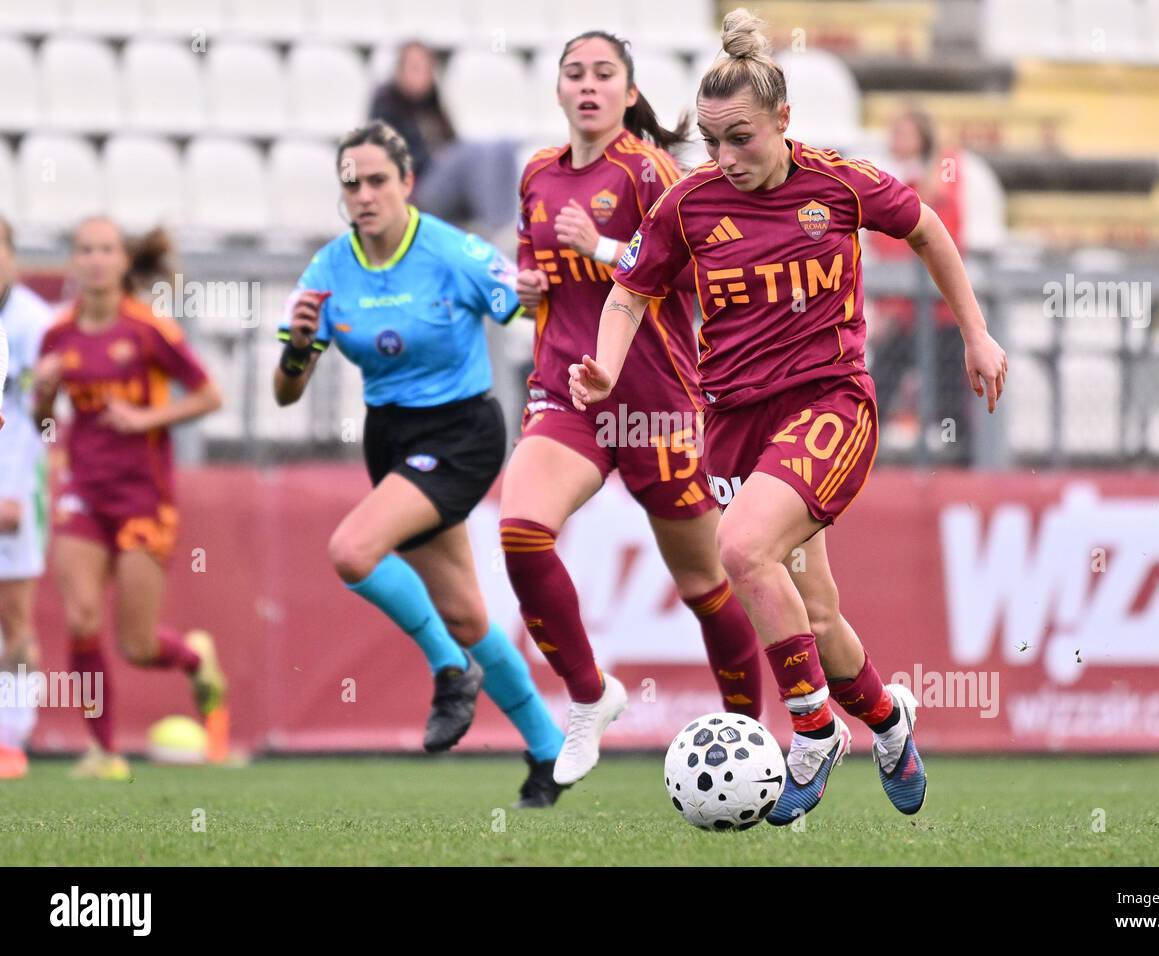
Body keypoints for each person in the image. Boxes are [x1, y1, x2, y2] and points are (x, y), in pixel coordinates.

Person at [570, 9, 1008, 823]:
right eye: (709, 141)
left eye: (740, 138)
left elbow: (929, 230)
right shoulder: (690, 206)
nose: (723, 158)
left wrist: (976, 333)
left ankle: (809, 729)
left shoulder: (839, 184)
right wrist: (605, 362)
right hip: (735, 421)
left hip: (829, 403)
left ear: (783, 120)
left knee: (740, 549)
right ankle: (885, 720)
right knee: (816, 614)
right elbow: (631, 290)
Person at [273, 120, 566, 807]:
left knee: (351, 550)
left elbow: (523, 301)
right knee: (466, 612)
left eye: (378, 180)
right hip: (392, 440)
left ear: (407, 183)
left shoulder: (450, 250)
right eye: (352, 183)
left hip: (462, 432)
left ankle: (447, 670)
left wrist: (529, 294)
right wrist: (298, 349)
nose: (364, 194)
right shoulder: (326, 270)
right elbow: (287, 392)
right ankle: (550, 751)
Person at [501, 30, 764, 787]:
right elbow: (538, 278)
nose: (588, 85)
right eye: (574, 73)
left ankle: (749, 740)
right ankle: (590, 696)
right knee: (521, 531)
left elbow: (698, 280)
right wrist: (525, 293)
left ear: (628, 91)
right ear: (557, 90)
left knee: (707, 587)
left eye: (603, 73)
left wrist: (610, 248)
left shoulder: (649, 173)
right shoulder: (537, 177)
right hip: (569, 392)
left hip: (655, 402)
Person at [32, 220, 228, 781]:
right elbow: (42, 426)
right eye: (85, 249)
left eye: (105, 250)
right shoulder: (57, 335)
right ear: (73, 262)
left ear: (122, 262)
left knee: (137, 645)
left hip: (144, 495)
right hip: (82, 492)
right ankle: (104, 751)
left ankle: (192, 657)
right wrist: (44, 395)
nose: (95, 260)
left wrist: (146, 417)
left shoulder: (148, 330)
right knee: (80, 618)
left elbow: (210, 395)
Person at [866, 106, 971, 461]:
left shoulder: (941, 174)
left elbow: (945, 239)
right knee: (877, 389)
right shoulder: (893, 179)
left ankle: (958, 463)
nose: (895, 139)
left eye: (904, 132)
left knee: (949, 399)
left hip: (935, 314)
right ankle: (862, 460)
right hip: (906, 314)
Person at [369, 41, 518, 230]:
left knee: (504, 146)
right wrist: (435, 158)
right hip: (417, 189)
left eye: (426, 68)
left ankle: (506, 226)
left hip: (442, 183)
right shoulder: (387, 105)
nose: (422, 74)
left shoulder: (432, 104)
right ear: (400, 70)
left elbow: (451, 141)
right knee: (472, 151)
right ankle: (495, 227)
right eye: (415, 68)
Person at [0, 216, 47, 779]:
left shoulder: (36, 325)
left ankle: (11, 736)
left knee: (14, 616)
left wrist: (14, 490)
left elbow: (42, 421)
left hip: (14, 487)